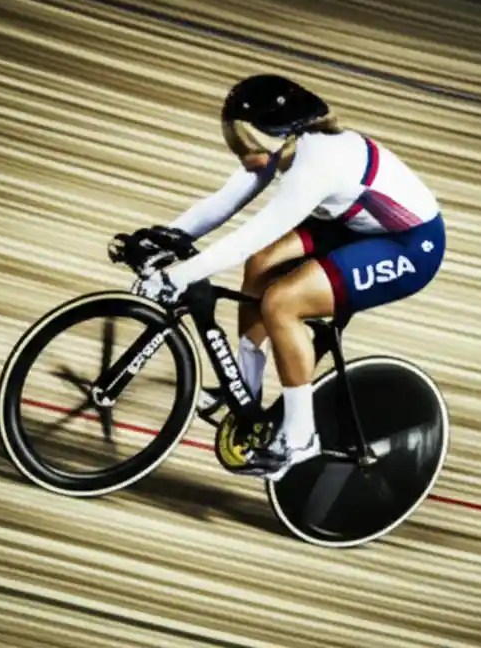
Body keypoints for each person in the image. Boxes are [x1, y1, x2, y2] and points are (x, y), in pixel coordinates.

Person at [128, 74, 445, 480]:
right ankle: (244, 388)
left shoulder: (317, 165)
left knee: (282, 302)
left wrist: (180, 276)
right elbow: (222, 203)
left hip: (410, 246)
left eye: (243, 139)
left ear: (275, 132)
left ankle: (300, 437)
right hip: (355, 225)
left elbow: (247, 236)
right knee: (261, 264)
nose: (238, 148)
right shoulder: (286, 147)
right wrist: (163, 239)